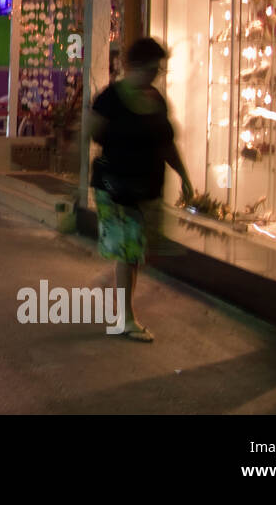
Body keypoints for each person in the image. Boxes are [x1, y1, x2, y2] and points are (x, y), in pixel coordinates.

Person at [87, 37, 194, 343]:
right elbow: (90, 133)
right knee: (130, 250)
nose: (155, 74)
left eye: (159, 69)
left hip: (144, 189)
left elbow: (166, 143)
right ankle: (125, 319)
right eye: (152, 68)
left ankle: (120, 301)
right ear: (134, 65)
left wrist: (184, 176)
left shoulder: (156, 100)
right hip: (115, 187)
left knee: (135, 252)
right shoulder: (110, 98)